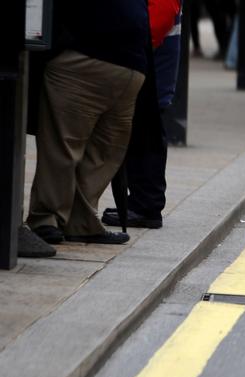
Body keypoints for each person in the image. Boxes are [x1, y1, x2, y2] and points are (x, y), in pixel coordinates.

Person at [26, 0, 151, 247]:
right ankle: (47, 220)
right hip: (84, 57)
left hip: (129, 64)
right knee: (63, 147)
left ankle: (81, 221)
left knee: (105, 152)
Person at [102, 0, 182, 230]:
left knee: (145, 135)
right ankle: (141, 202)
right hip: (153, 59)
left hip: (152, 62)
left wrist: (134, 47)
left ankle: (145, 206)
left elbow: (161, 15)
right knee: (144, 133)